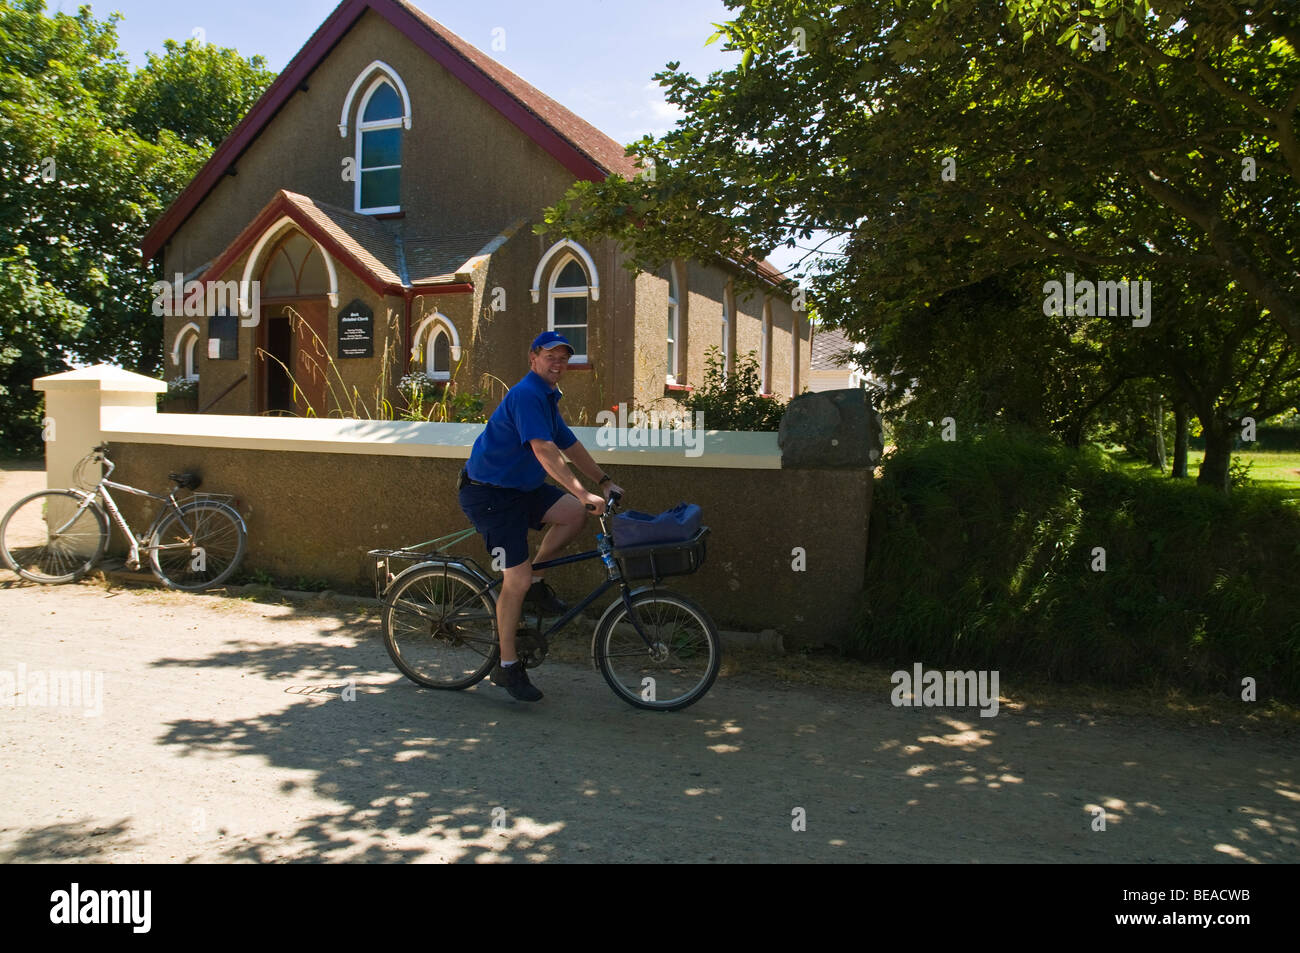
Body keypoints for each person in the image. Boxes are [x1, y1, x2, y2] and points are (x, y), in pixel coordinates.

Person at [458, 331, 625, 702]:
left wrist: (604, 480)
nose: (558, 363)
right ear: (533, 357)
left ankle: (536, 581)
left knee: (571, 517)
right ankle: (506, 666)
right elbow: (544, 450)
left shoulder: (548, 396)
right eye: (551, 356)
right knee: (513, 579)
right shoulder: (527, 394)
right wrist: (582, 493)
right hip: (491, 495)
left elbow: (568, 443)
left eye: (564, 358)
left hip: (522, 488)